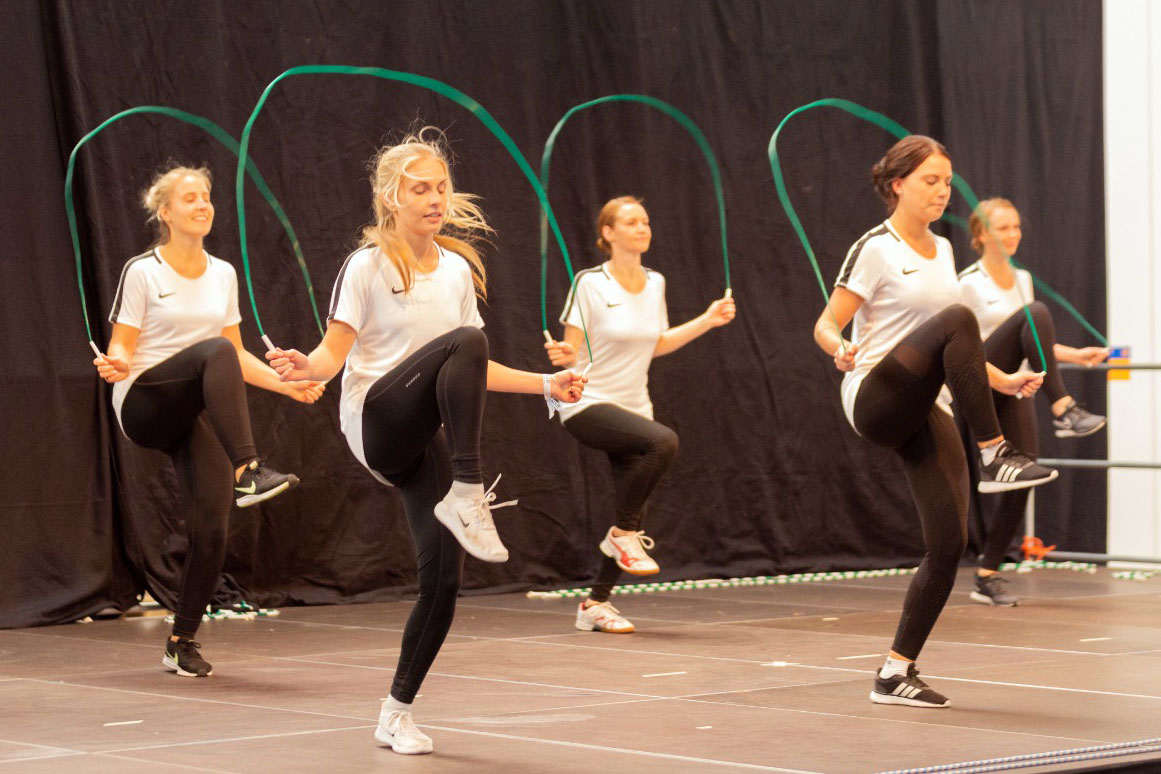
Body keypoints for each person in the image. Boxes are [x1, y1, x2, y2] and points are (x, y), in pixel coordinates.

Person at [266, 129, 585, 756]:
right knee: (466, 342)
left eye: (442, 186)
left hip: (423, 436)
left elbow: (472, 368)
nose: (435, 197)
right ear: (390, 198)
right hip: (374, 421)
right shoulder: (367, 266)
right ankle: (468, 489)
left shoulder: (458, 271)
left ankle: (395, 712)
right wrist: (305, 367)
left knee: (442, 581)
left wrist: (548, 382)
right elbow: (334, 353)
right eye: (421, 188)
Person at [812, 136, 1058, 708]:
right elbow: (826, 323)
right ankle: (995, 452)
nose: (941, 191)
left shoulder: (945, 251)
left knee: (948, 544)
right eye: (930, 180)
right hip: (875, 395)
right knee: (956, 317)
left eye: (947, 181)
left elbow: (960, 351)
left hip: (930, 406)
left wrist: (1003, 381)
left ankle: (894, 672)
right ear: (897, 184)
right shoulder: (875, 247)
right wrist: (837, 347)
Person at [93, 165, 321, 679]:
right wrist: (119, 363)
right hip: (144, 404)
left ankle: (182, 640)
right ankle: (249, 470)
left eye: (207, 198)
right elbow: (123, 344)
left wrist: (289, 385)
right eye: (189, 198)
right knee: (212, 349)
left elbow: (234, 356)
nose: (202, 205)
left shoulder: (223, 274)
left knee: (212, 528)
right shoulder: (143, 271)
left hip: (191, 410)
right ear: (165, 212)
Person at [544, 196, 735, 635]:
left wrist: (706, 320)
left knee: (635, 512)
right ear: (607, 233)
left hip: (634, 404)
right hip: (586, 401)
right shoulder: (589, 282)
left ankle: (595, 604)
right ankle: (621, 537)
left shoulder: (656, 282)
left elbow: (657, 343)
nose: (641, 228)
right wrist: (565, 353)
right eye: (630, 222)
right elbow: (571, 352)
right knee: (662, 442)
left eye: (645, 221)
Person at [957, 198, 1108, 606]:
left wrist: (1076, 355)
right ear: (981, 234)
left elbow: (1033, 338)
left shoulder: (1021, 277)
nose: (1012, 234)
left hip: (1017, 386)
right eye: (1003, 227)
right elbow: (957, 346)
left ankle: (987, 575)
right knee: (1035, 310)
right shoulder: (968, 283)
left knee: (1029, 475)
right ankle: (1062, 408)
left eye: (1016, 227)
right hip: (981, 382)